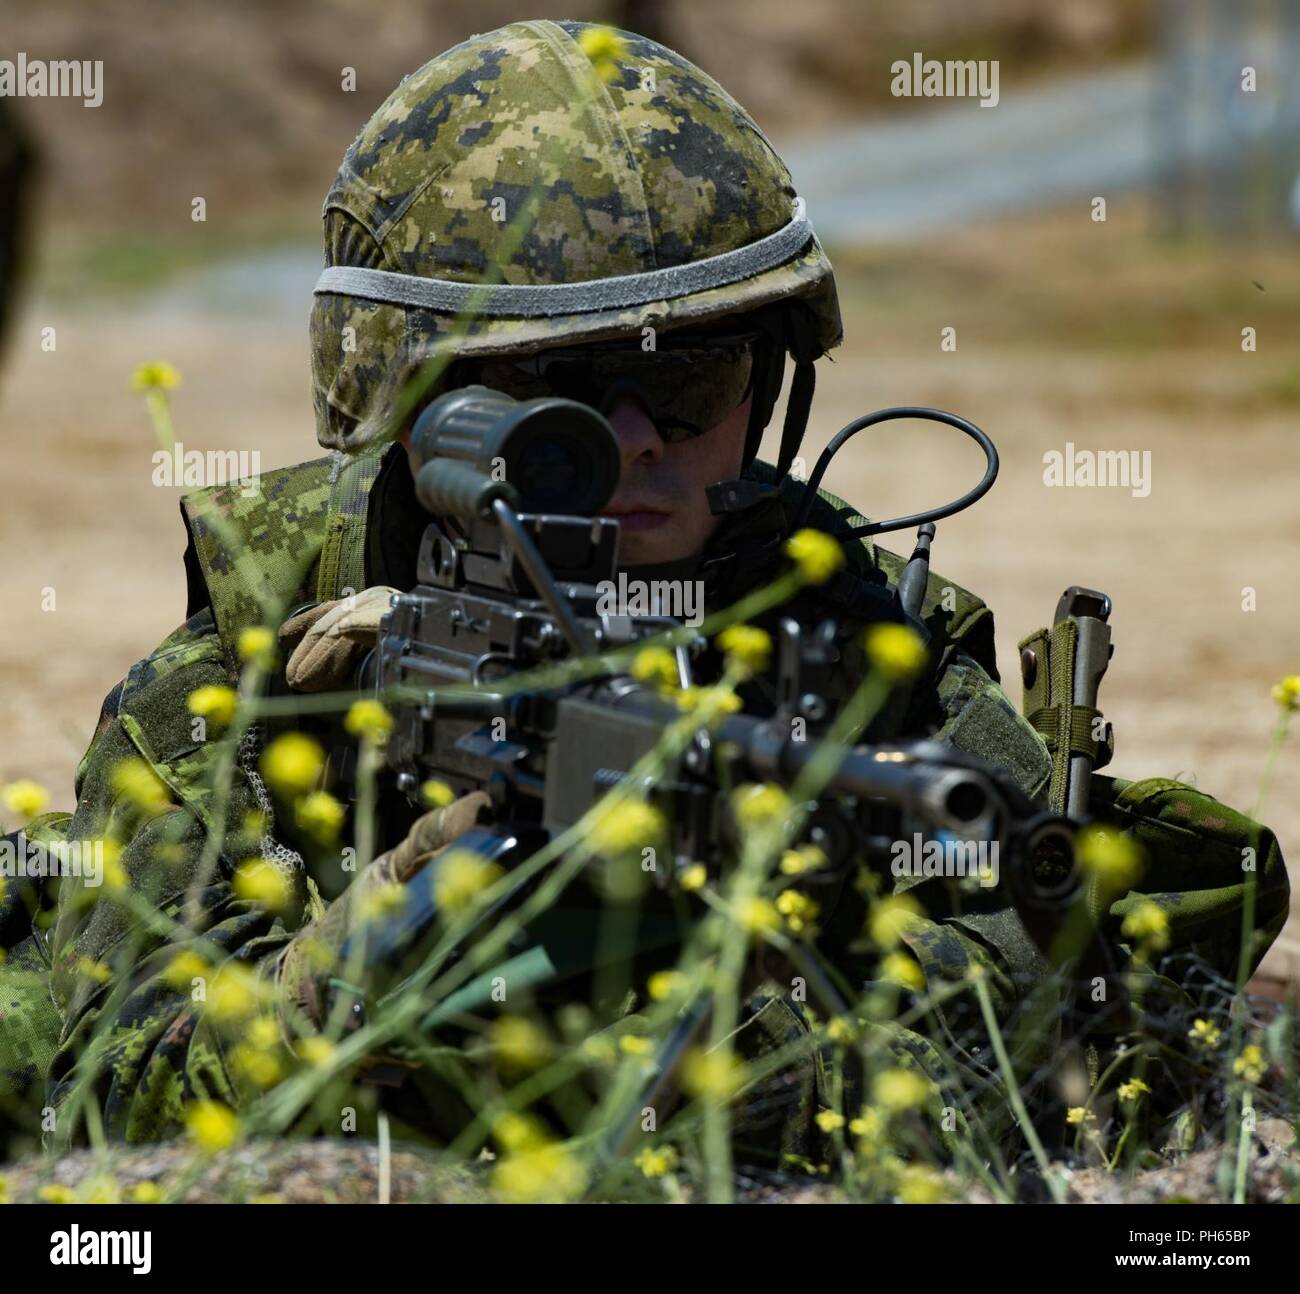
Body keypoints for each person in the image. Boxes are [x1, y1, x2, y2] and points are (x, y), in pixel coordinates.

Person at [0, 21, 1287, 1171]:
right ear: (406, 402)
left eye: (691, 376)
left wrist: (758, 1040)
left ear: (771, 370)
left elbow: (1062, 994)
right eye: (555, 388)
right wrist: (365, 950)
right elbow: (109, 1099)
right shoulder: (257, 658)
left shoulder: (833, 622)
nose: (632, 441)